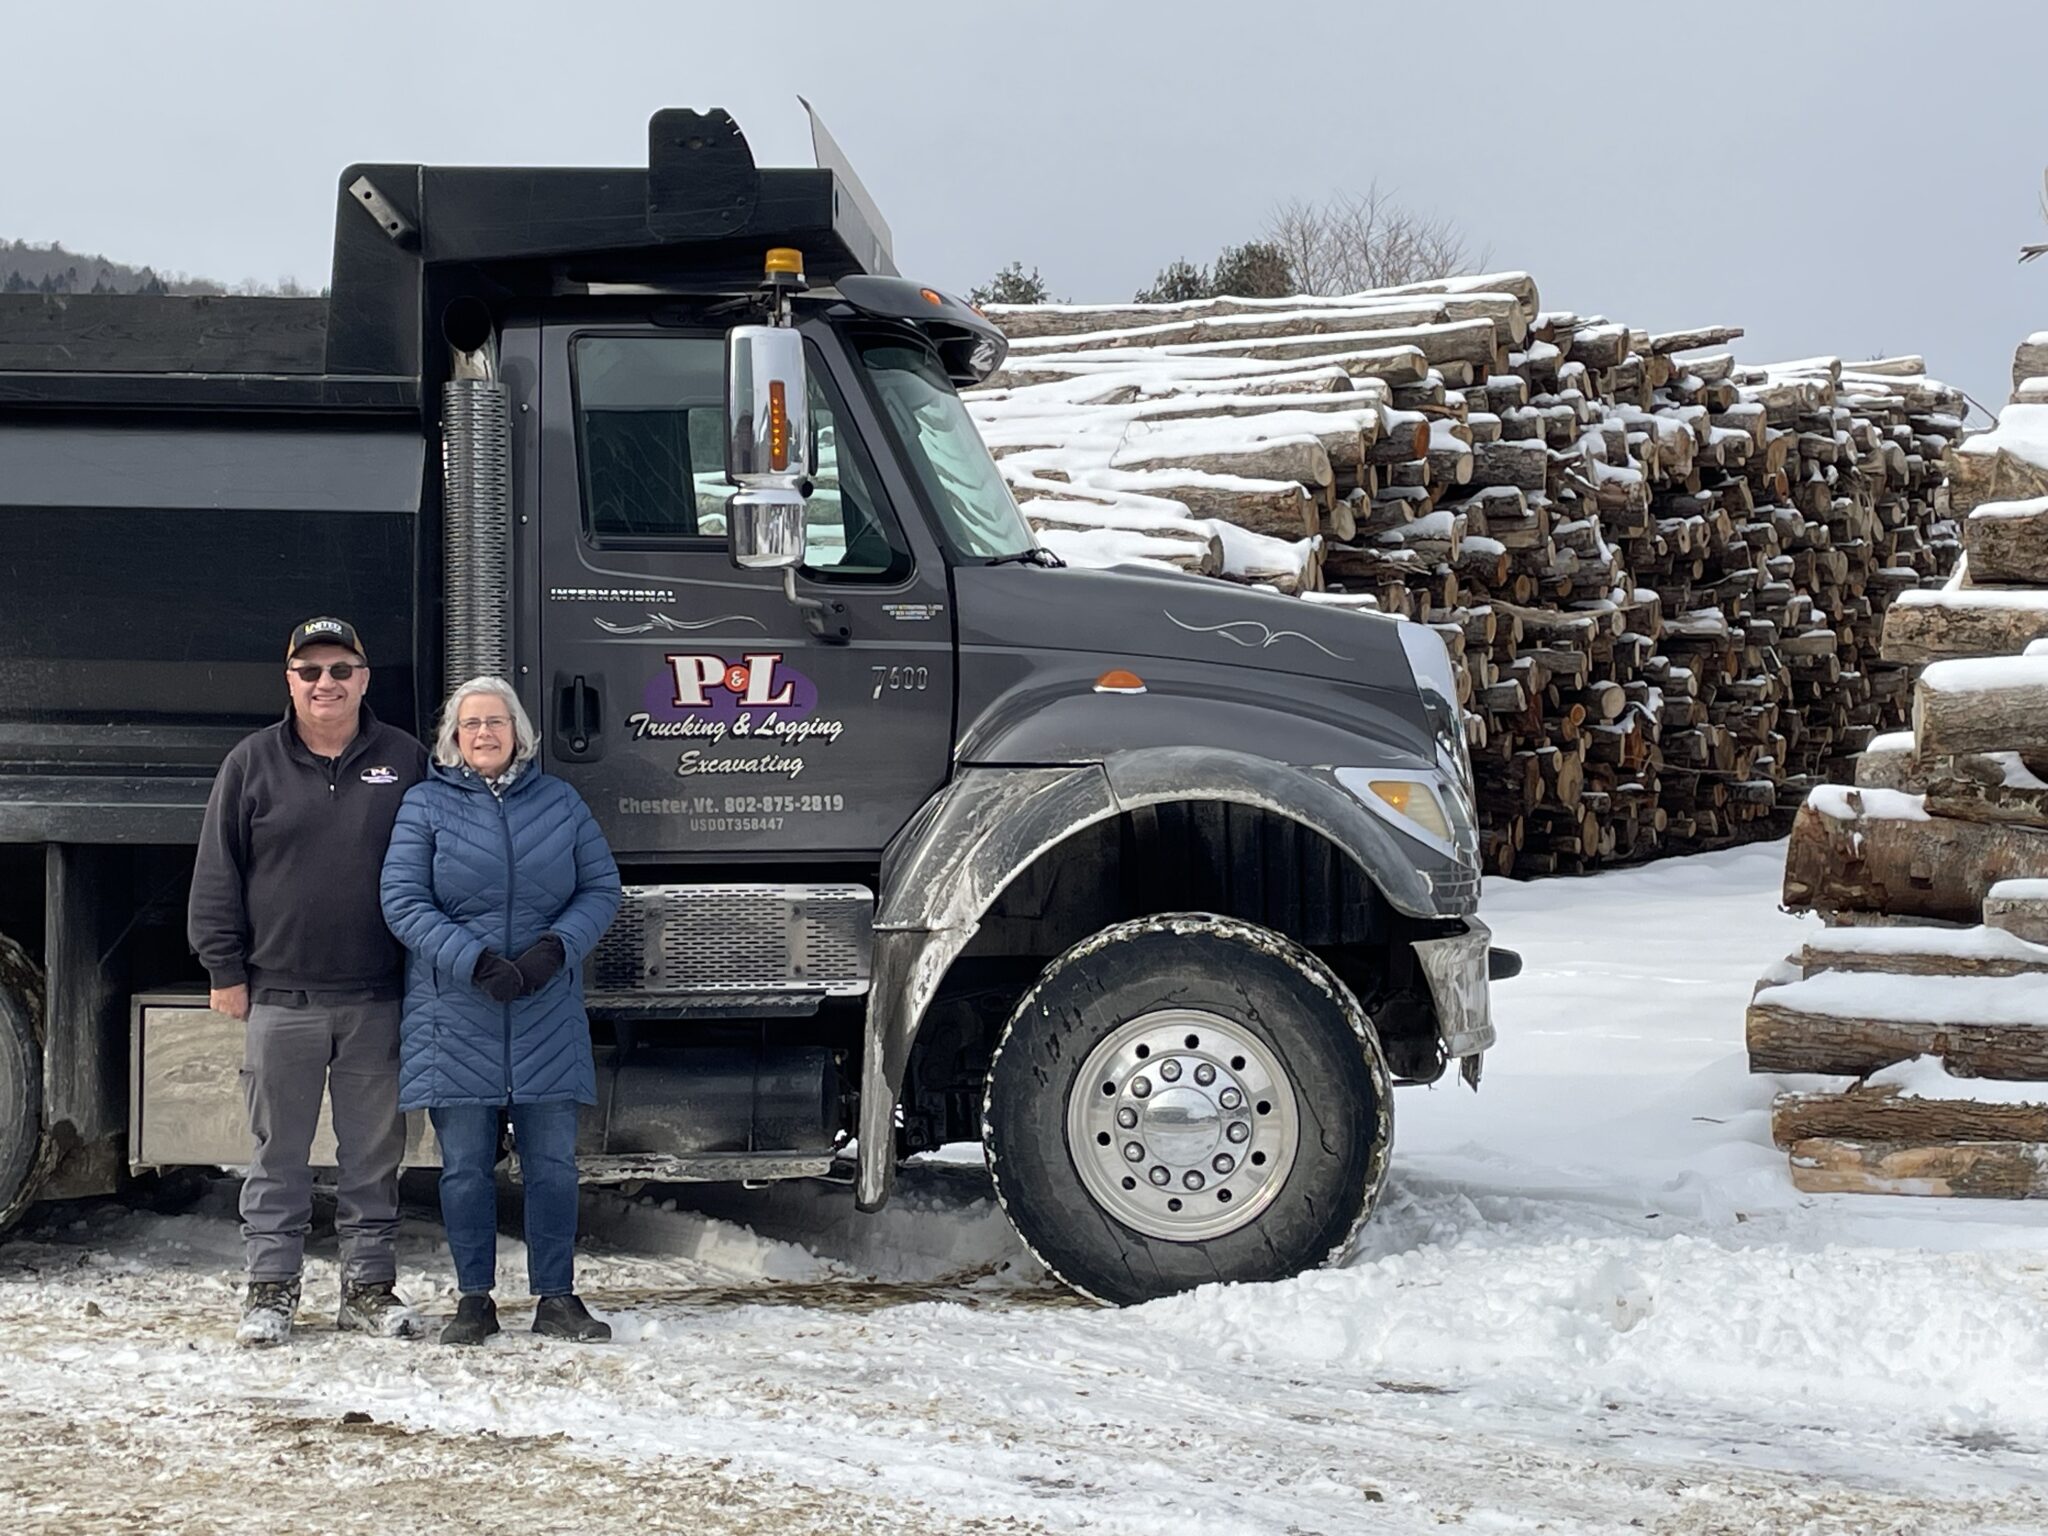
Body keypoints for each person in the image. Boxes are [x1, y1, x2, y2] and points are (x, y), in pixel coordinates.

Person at [188, 617, 430, 1347]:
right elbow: (216, 873)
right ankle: (270, 1291)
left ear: (365, 677)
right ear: (289, 680)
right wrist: (223, 968)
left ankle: (367, 1288)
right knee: (276, 1156)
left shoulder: (406, 760)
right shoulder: (251, 763)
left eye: (340, 669)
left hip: (376, 998)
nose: (326, 683)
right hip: (279, 998)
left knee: (373, 1159)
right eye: (310, 671)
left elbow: (441, 868)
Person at [379, 676, 622, 1345]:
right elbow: (402, 900)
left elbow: (601, 887)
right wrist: (476, 962)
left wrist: (554, 950)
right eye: (470, 724)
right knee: (463, 1169)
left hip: (546, 1009)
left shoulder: (561, 802)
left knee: (552, 1166)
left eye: (496, 721)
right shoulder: (424, 806)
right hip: (454, 1014)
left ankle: (557, 1299)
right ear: (452, 738)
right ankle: (474, 1300)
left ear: (519, 731)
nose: (484, 733)